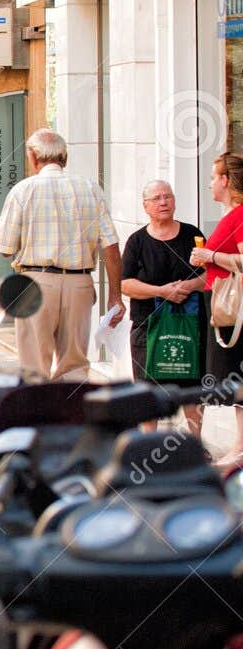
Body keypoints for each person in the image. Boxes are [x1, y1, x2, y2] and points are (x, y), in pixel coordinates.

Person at [0, 128, 124, 382]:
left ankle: (41, 418)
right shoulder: (90, 188)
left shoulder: (23, 191)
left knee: (34, 366)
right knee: (75, 366)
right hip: (79, 283)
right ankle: (70, 418)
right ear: (64, 157)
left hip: (35, 283)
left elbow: (5, 247)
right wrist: (115, 296)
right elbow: (111, 245)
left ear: (32, 157)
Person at [122, 180, 206, 434]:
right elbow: (125, 284)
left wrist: (187, 286)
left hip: (189, 326)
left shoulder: (193, 234)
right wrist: (161, 292)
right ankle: (149, 443)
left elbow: (210, 275)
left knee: (191, 388)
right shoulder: (137, 241)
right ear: (145, 206)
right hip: (148, 328)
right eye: (156, 198)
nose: (163, 202)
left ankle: (195, 444)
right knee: (149, 390)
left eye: (167, 197)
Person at [191, 154, 243, 462]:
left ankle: (239, 447)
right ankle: (239, 445)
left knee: (236, 372)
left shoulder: (239, 215)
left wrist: (210, 256)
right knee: (233, 375)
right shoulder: (230, 214)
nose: (209, 183)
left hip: (234, 307)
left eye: (213, 177)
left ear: (225, 181)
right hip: (223, 305)